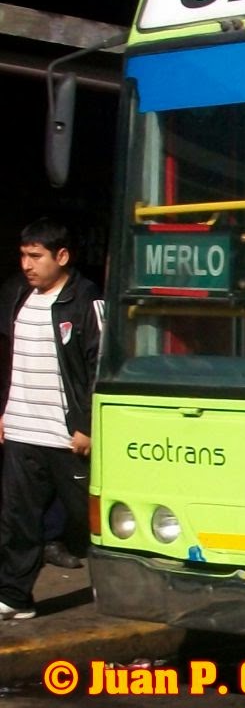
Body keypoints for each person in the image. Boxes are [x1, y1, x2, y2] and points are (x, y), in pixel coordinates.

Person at [0, 218, 103, 620]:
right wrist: (5, 411)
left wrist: (88, 425)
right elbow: (8, 359)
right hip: (24, 426)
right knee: (17, 518)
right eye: (24, 255)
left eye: (36, 256)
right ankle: (15, 596)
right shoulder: (15, 295)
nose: (28, 264)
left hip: (66, 435)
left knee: (88, 518)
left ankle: (120, 589)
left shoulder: (84, 299)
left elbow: (97, 365)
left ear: (62, 256)